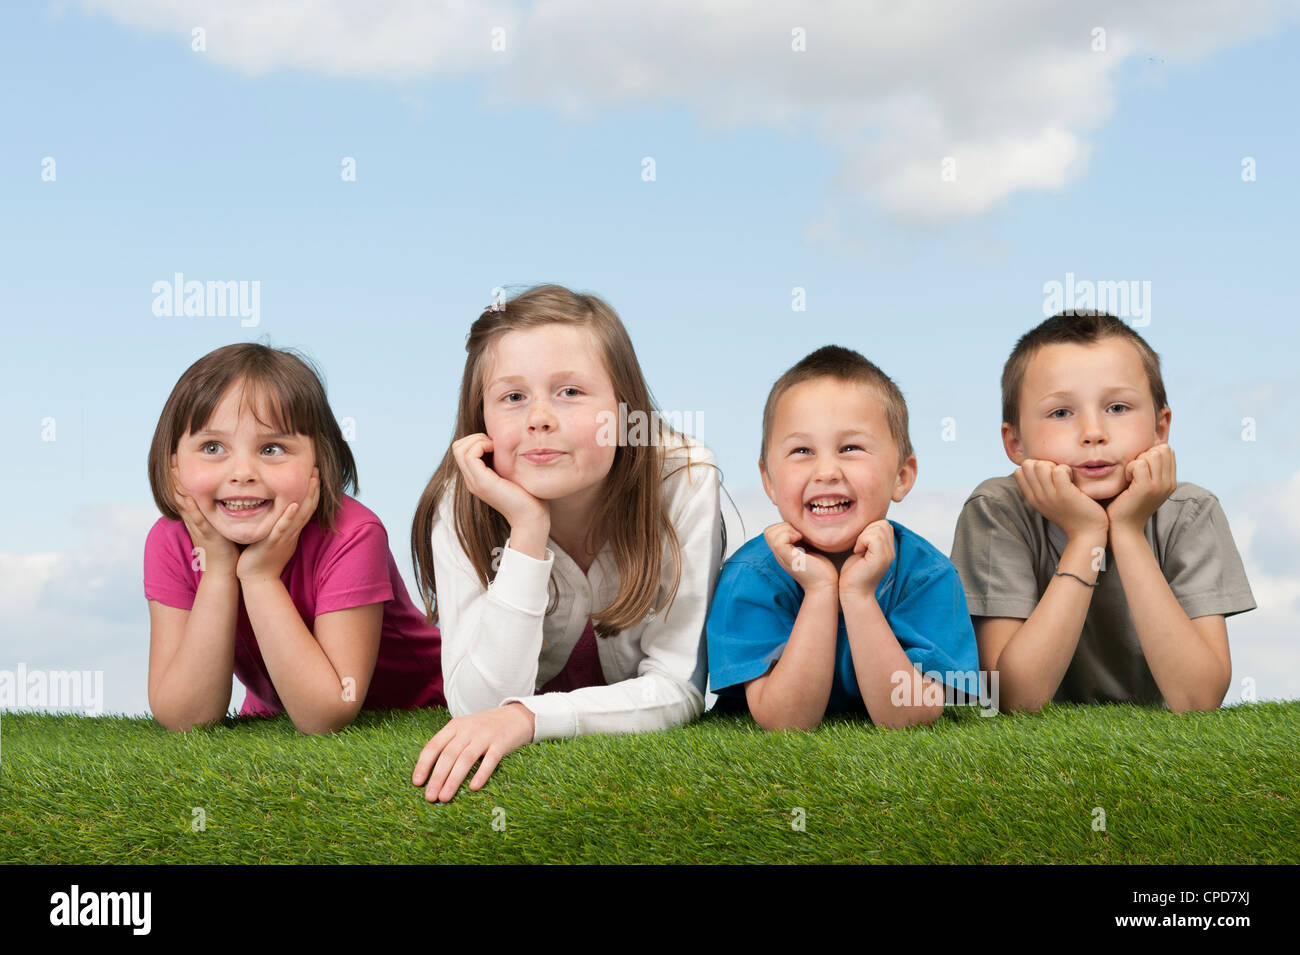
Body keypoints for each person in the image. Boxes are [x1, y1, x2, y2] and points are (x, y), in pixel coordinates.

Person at [410, 285, 722, 802]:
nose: (538, 418)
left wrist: (530, 718)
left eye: (570, 392)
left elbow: (678, 687)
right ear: (480, 420)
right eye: (512, 397)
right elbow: (476, 708)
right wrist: (527, 532)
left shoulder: (684, 481)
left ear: (625, 410)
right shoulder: (461, 499)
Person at [949, 311, 1255, 712]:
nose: (1093, 433)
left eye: (1117, 408)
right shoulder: (997, 511)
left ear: (1160, 429)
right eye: (1061, 413)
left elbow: (1198, 700)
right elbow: (1013, 701)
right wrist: (1087, 536)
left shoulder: (1191, 513)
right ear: (1015, 442)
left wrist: (1126, 531)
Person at [144, 343, 444, 734]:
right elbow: (186, 719)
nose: (242, 472)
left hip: (415, 709)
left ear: (319, 461)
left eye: (272, 448)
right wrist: (218, 572)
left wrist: (259, 577)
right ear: (173, 467)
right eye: (212, 447)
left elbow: (325, 716)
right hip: (279, 711)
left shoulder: (351, 535)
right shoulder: (171, 541)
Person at [707, 345, 979, 731]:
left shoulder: (929, 575)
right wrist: (819, 591)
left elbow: (911, 718)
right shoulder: (748, 577)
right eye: (802, 450)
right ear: (768, 480)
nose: (827, 471)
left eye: (850, 448)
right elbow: (787, 723)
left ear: (901, 476)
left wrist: (858, 595)